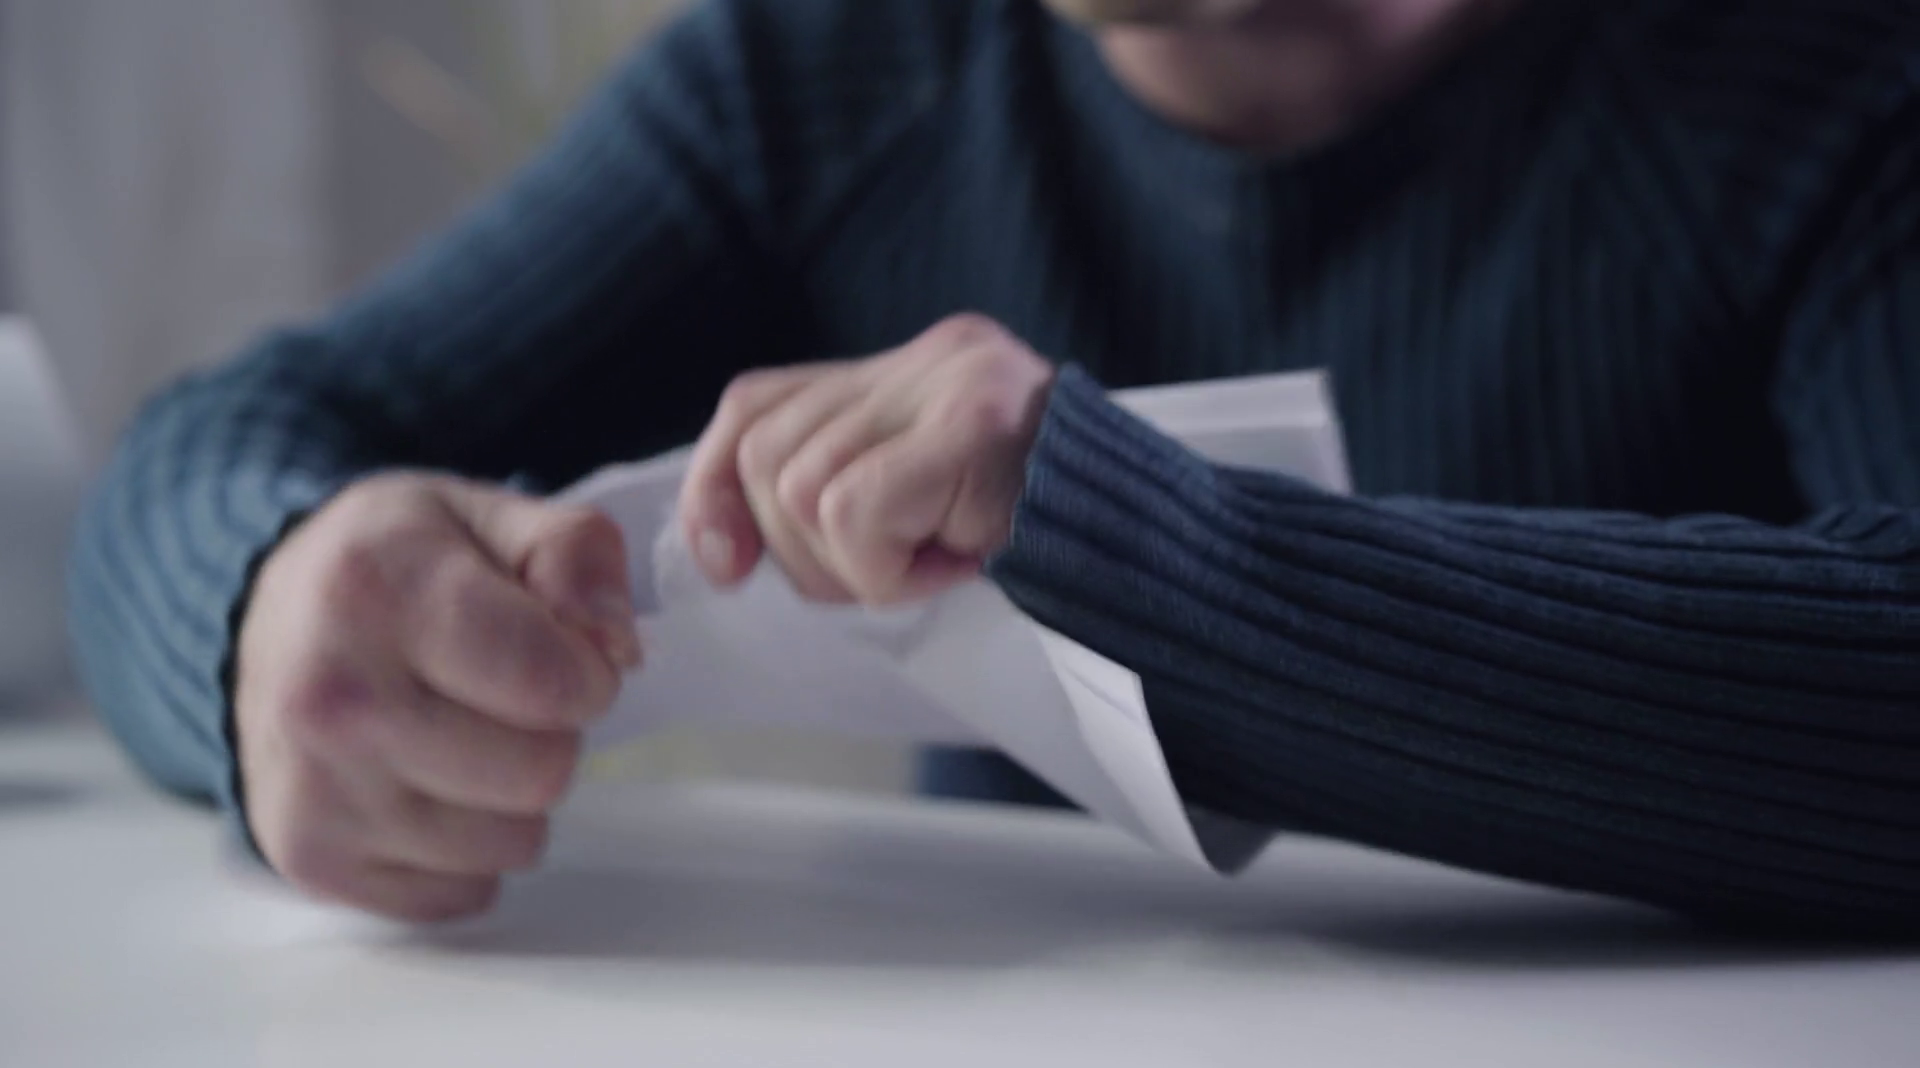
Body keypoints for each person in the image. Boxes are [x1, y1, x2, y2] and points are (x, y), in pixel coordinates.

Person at [69, 0, 1919, 931]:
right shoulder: (840, 69)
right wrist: (265, 619)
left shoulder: (1830, 79)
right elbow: (220, 451)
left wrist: (1140, 547)